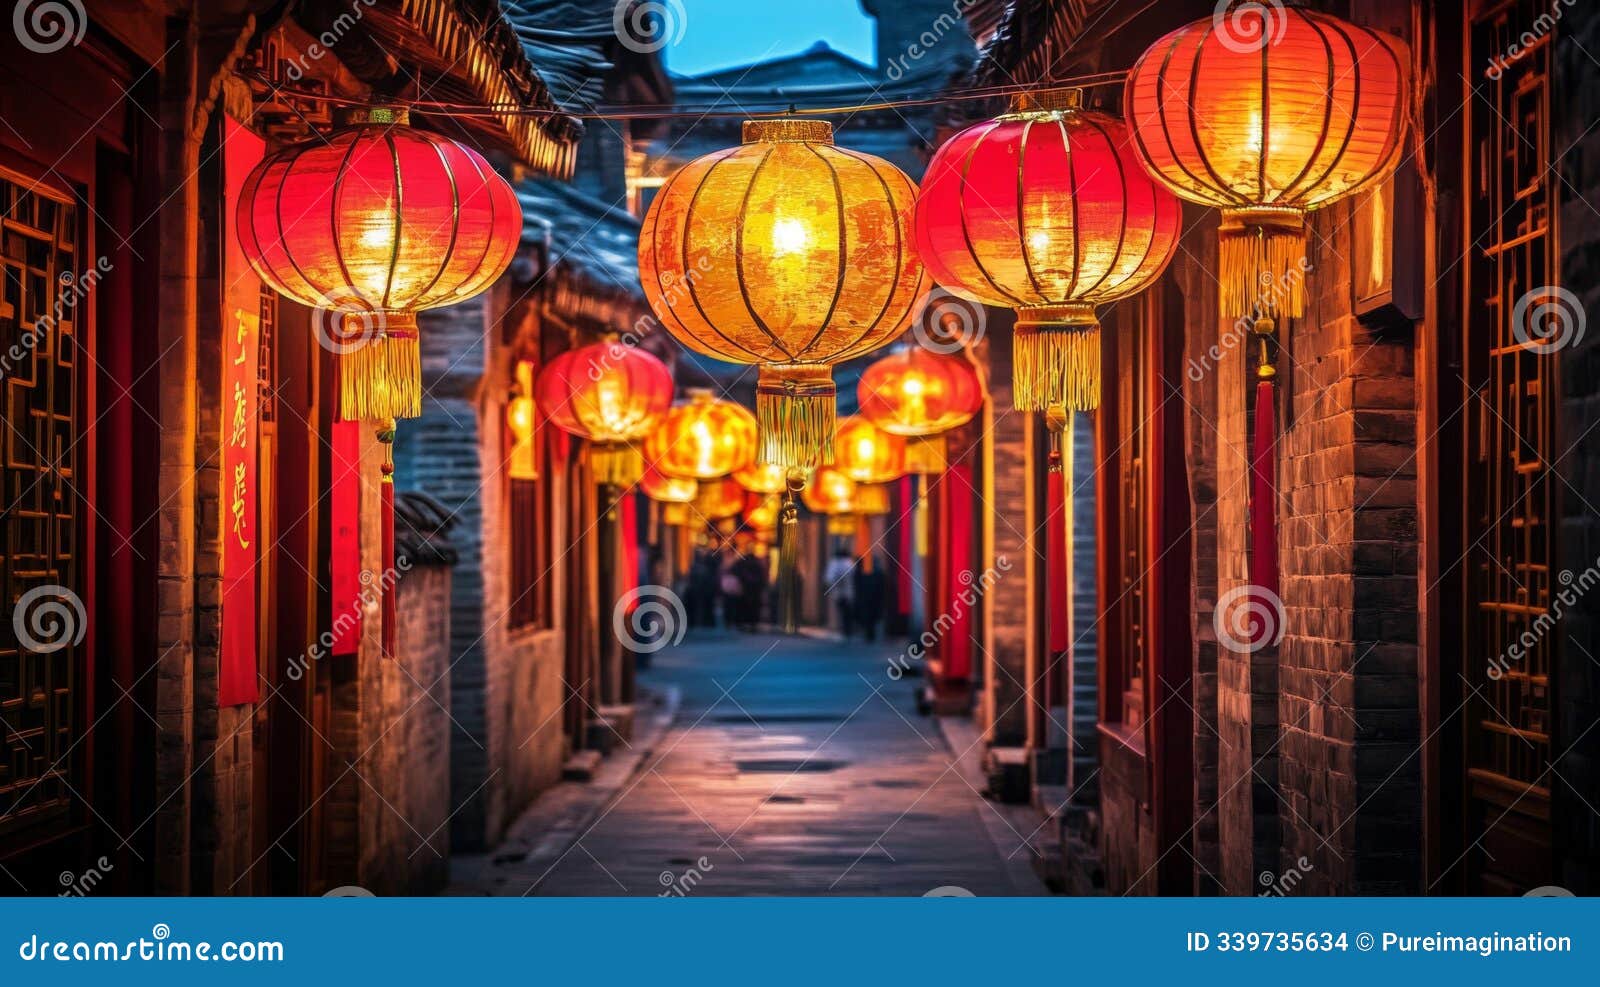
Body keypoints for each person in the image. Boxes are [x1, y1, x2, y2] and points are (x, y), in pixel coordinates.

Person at [823, 548, 856, 638]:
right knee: (848, 612)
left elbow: (829, 578)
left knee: (842, 611)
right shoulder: (850, 563)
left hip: (838, 592)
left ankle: (844, 630)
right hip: (850, 592)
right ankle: (848, 630)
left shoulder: (834, 563)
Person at [853, 555, 887, 642]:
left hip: (867, 597)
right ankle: (870, 634)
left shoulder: (861, 572)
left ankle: (869, 634)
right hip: (873, 598)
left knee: (868, 615)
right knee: (871, 616)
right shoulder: (877, 572)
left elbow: (857, 585)